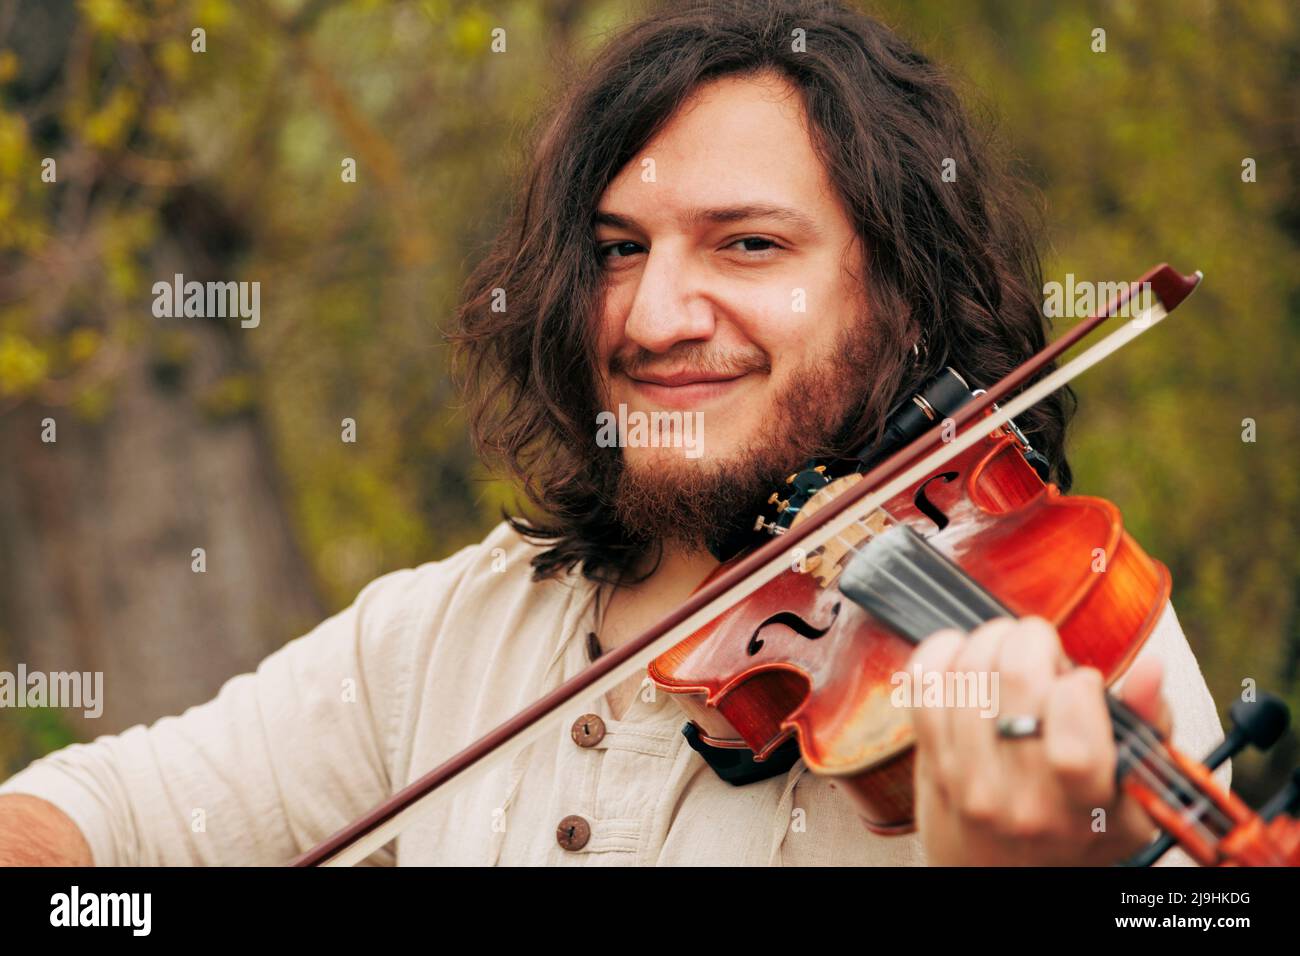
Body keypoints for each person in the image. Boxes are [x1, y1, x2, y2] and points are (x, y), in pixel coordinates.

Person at [0, 0, 1226, 866]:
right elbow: (100, 820)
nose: (651, 315)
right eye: (617, 250)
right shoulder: (448, 634)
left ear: (898, 296)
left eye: (749, 244)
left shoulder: (1049, 626)